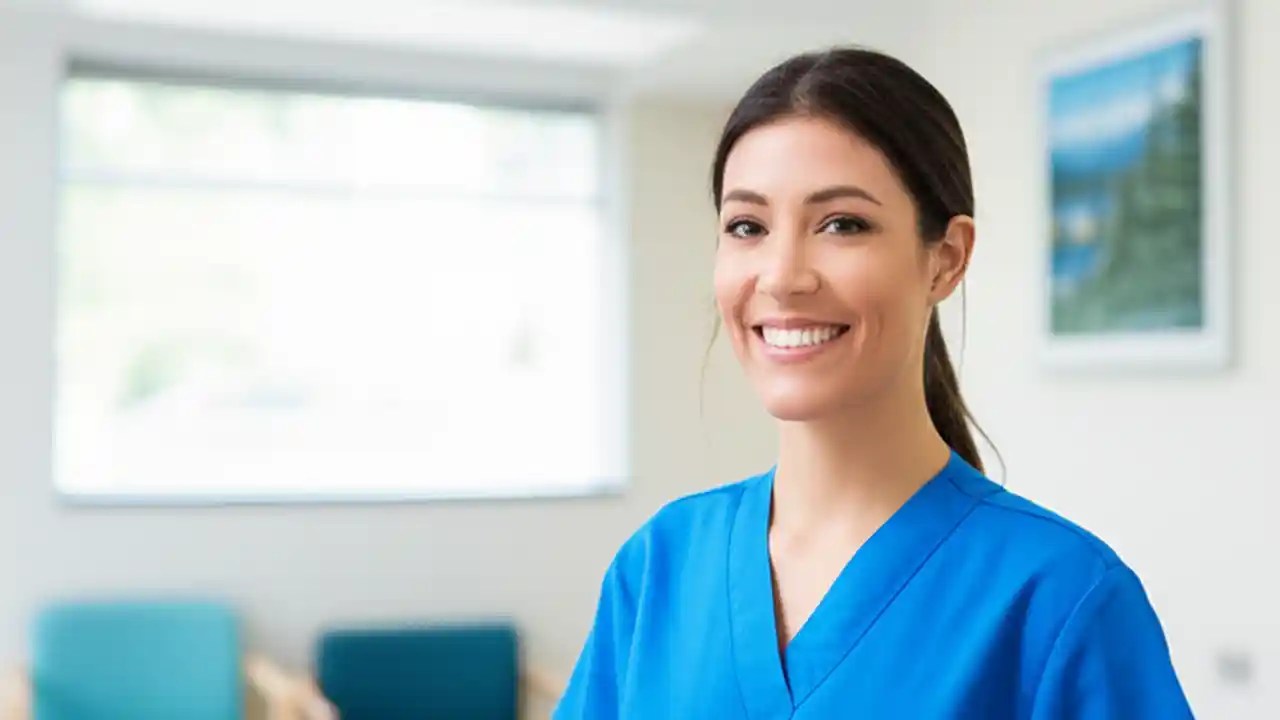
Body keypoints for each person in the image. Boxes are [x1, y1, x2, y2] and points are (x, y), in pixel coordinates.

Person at [554, 47, 1193, 719]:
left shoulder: (1061, 598)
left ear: (946, 260)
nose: (782, 275)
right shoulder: (659, 569)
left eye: (842, 224)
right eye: (748, 226)